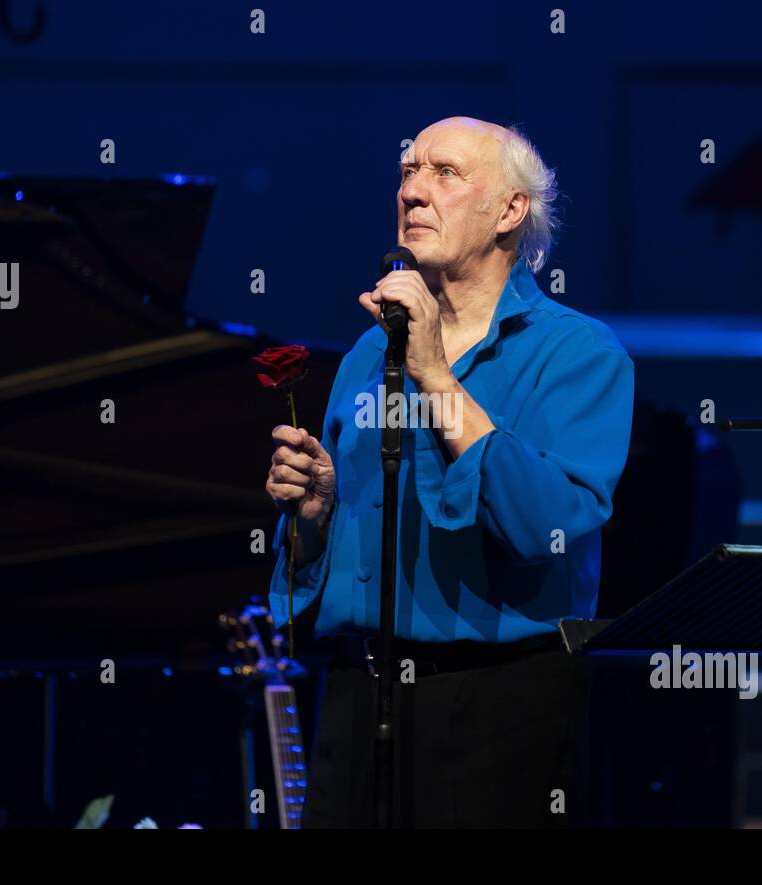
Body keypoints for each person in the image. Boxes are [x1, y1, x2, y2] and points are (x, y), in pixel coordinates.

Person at [264, 116, 633, 828]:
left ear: (510, 211)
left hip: (494, 710)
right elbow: (339, 566)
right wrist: (313, 522)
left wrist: (436, 375)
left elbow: (548, 525)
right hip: (356, 696)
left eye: (444, 174)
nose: (412, 192)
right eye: (408, 172)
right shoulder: (364, 360)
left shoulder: (579, 354)